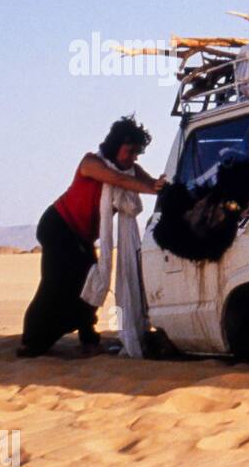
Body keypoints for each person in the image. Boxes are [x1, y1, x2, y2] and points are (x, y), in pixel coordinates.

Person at [18, 117, 166, 357]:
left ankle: (88, 338)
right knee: (55, 285)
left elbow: (147, 182)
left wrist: (159, 185)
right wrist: (151, 188)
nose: (132, 158)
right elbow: (119, 180)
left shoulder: (128, 169)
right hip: (59, 227)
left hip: (82, 237)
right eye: (129, 151)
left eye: (136, 154)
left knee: (92, 283)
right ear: (116, 145)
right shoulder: (91, 162)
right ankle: (31, 341)